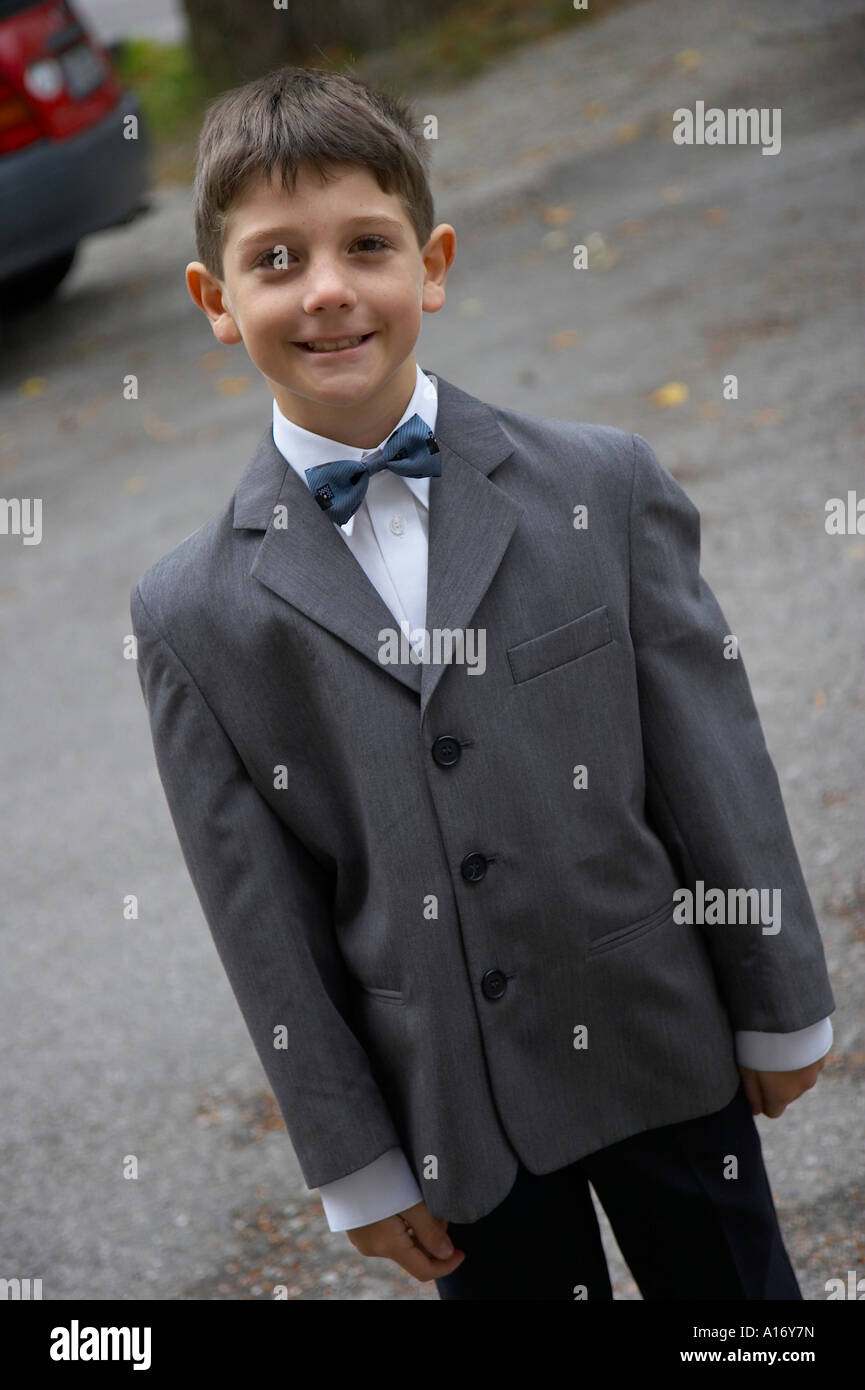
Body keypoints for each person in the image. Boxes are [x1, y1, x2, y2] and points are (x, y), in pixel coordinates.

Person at [130, 65, 835, 1300]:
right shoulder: (191, 612)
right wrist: (353, 1163)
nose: (330, 289)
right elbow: (263, 922)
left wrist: (775, 994)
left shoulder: (600, 487)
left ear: (433, 263)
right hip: (448, 1116)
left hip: (659, 1043)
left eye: (366, 245)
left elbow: (713, 768)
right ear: (217, 299)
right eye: (277, 260)